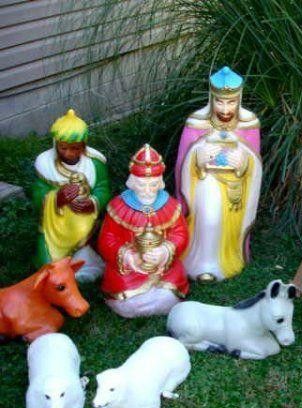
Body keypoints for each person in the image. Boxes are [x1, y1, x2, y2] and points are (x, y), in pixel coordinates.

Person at [175, 66, 262, 282]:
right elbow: (181, 165)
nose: (225, 109)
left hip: (236, 191)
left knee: (219, 215)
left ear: (238, 99)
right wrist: (198, 159)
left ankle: (228, 258)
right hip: (203, 182)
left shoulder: (249, 123)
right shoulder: (196, 122)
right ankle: (202, 262)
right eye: (220, 102)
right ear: (212, 99)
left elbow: (256, 163)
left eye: (231, 102)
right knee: (208, 211)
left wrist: (244, 163)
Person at [98, 144, 189, 318]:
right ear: (132, 182)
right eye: (141, 184)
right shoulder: (118, 207)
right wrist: (128, 257)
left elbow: (180, 234)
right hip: (129, 271)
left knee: (167, 298)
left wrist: (165, 251)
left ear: (160, 182)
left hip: (164, 269)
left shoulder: (171, 206)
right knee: (128, 304)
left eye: (153, 185)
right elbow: (107, 239)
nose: (147, 190)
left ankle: (163, 297)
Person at [32, 109, 109, 281]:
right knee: (48, 266)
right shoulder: (45, 164)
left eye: (75, 148)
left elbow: (103, 188)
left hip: (85, 223)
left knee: (91, 255)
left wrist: (93, 202)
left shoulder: (95, 163)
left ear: (84, 145)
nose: (69, 153)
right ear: (56, 143)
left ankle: (84, 259)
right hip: (55, 226)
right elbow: (37, 192)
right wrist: (57, 198)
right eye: (63, 148)